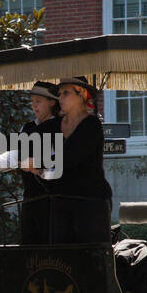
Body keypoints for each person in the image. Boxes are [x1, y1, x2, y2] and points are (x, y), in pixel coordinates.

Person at [48, 76, 113, 245]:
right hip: (61, 201)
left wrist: (38, 163)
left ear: (82, 95)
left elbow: (71, 156)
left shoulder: (92, 124)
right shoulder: (54, 125)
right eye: (59, 93)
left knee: (90, 257)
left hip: (91, 202)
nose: (60, 98)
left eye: (66, 93)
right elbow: (26, 142)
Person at [18, 81, 61, 244]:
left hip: (52, 199)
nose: (34, 106)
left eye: (39, 101)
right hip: (30, 197)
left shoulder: (59, 126)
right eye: (32, 101)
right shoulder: (28, 127)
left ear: (51, 102)